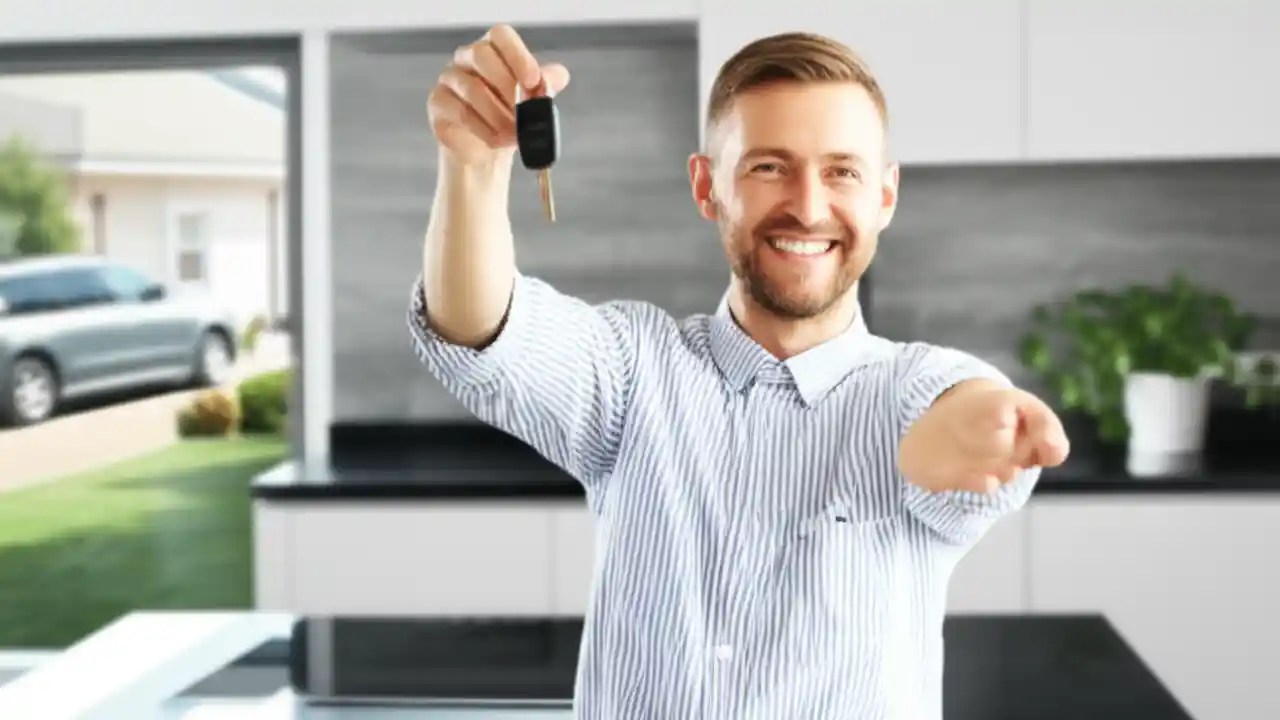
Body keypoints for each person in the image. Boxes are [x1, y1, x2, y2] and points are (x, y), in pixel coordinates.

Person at [410, 23, 1070, 720]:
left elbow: (951, 412)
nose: (809, 206)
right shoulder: (635, 371)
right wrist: (472, 168)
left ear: (884, 196)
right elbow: (482, 327)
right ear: (708, 186)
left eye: (841, 171)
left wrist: (973, 430)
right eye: (767, 167)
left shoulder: (914, 386)